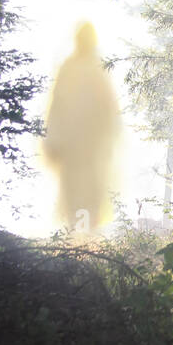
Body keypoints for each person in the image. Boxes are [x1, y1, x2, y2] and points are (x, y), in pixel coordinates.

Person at [41, 21, 121, 232]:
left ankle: (86, 237)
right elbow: (57, 103)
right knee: (73, 191)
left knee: (91, 191)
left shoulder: (97, 68)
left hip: (91, 144)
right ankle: (76, 236)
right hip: (72, 144)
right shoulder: (70, 67)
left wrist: (108, 136)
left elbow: (108, 106)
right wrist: (54, 138)